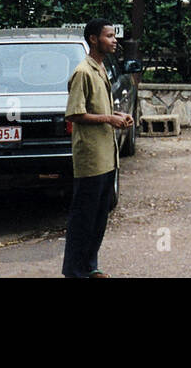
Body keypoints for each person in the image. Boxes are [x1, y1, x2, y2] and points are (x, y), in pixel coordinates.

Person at [61, 19, 134, 279]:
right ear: (93, 39)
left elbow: (97, 109)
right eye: (109, 36)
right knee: (83, 218)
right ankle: (74, 271)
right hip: (91, 157)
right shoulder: (83, 72)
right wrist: (109, 119)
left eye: (114, 36)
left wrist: (117, 115)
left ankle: (90, 266)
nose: (114, 40)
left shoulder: (101, 68)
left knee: (99, 218)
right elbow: (75, 114)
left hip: (107, 156)